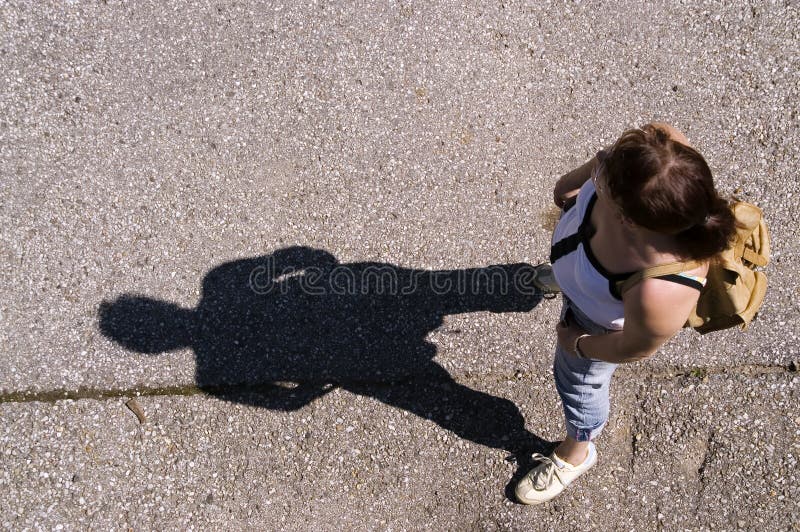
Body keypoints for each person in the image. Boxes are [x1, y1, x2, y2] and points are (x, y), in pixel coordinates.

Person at [516, 123, 737, 504]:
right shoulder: (659, 158)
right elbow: (606, 161)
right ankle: (569, 279)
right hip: (583, 278)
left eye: (602, 176)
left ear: (628, 220)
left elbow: (634, 346)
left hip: (591, 322)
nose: (599, 167)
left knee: (578, 385)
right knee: (580, 271)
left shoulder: (660, 290)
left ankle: (577, 453)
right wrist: (581, 176)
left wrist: (580, 344)